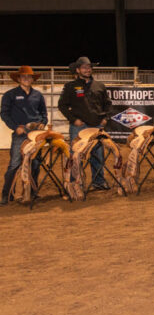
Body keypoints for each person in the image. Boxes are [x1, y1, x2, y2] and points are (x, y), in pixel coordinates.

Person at [58, 56, 111, 189]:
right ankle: (75, 183)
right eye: (84, 67)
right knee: (76, 155)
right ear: (78, 70)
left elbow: (108, 104)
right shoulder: (70, 86)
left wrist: (106, 119)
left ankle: (98, 182)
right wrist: (73, 120)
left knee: (98, 154)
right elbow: (62, 105)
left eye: (89, 67)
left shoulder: (100, 86)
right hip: (79, 127)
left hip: (97, 125)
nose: (87, 69)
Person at [1, 66, 48, 205]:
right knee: (14, 164)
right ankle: (6, 194)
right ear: (19, 79)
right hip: (20, 133)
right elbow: (4, 113)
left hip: (35, 134)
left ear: (33, 79)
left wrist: (42, 123)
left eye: (29, 77)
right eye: (24, 77)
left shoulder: (38, 95)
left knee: (35, 163)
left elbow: (44, 114)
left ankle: (32, 192)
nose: (27, 79)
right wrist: (15, 127)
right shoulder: (10, 95)